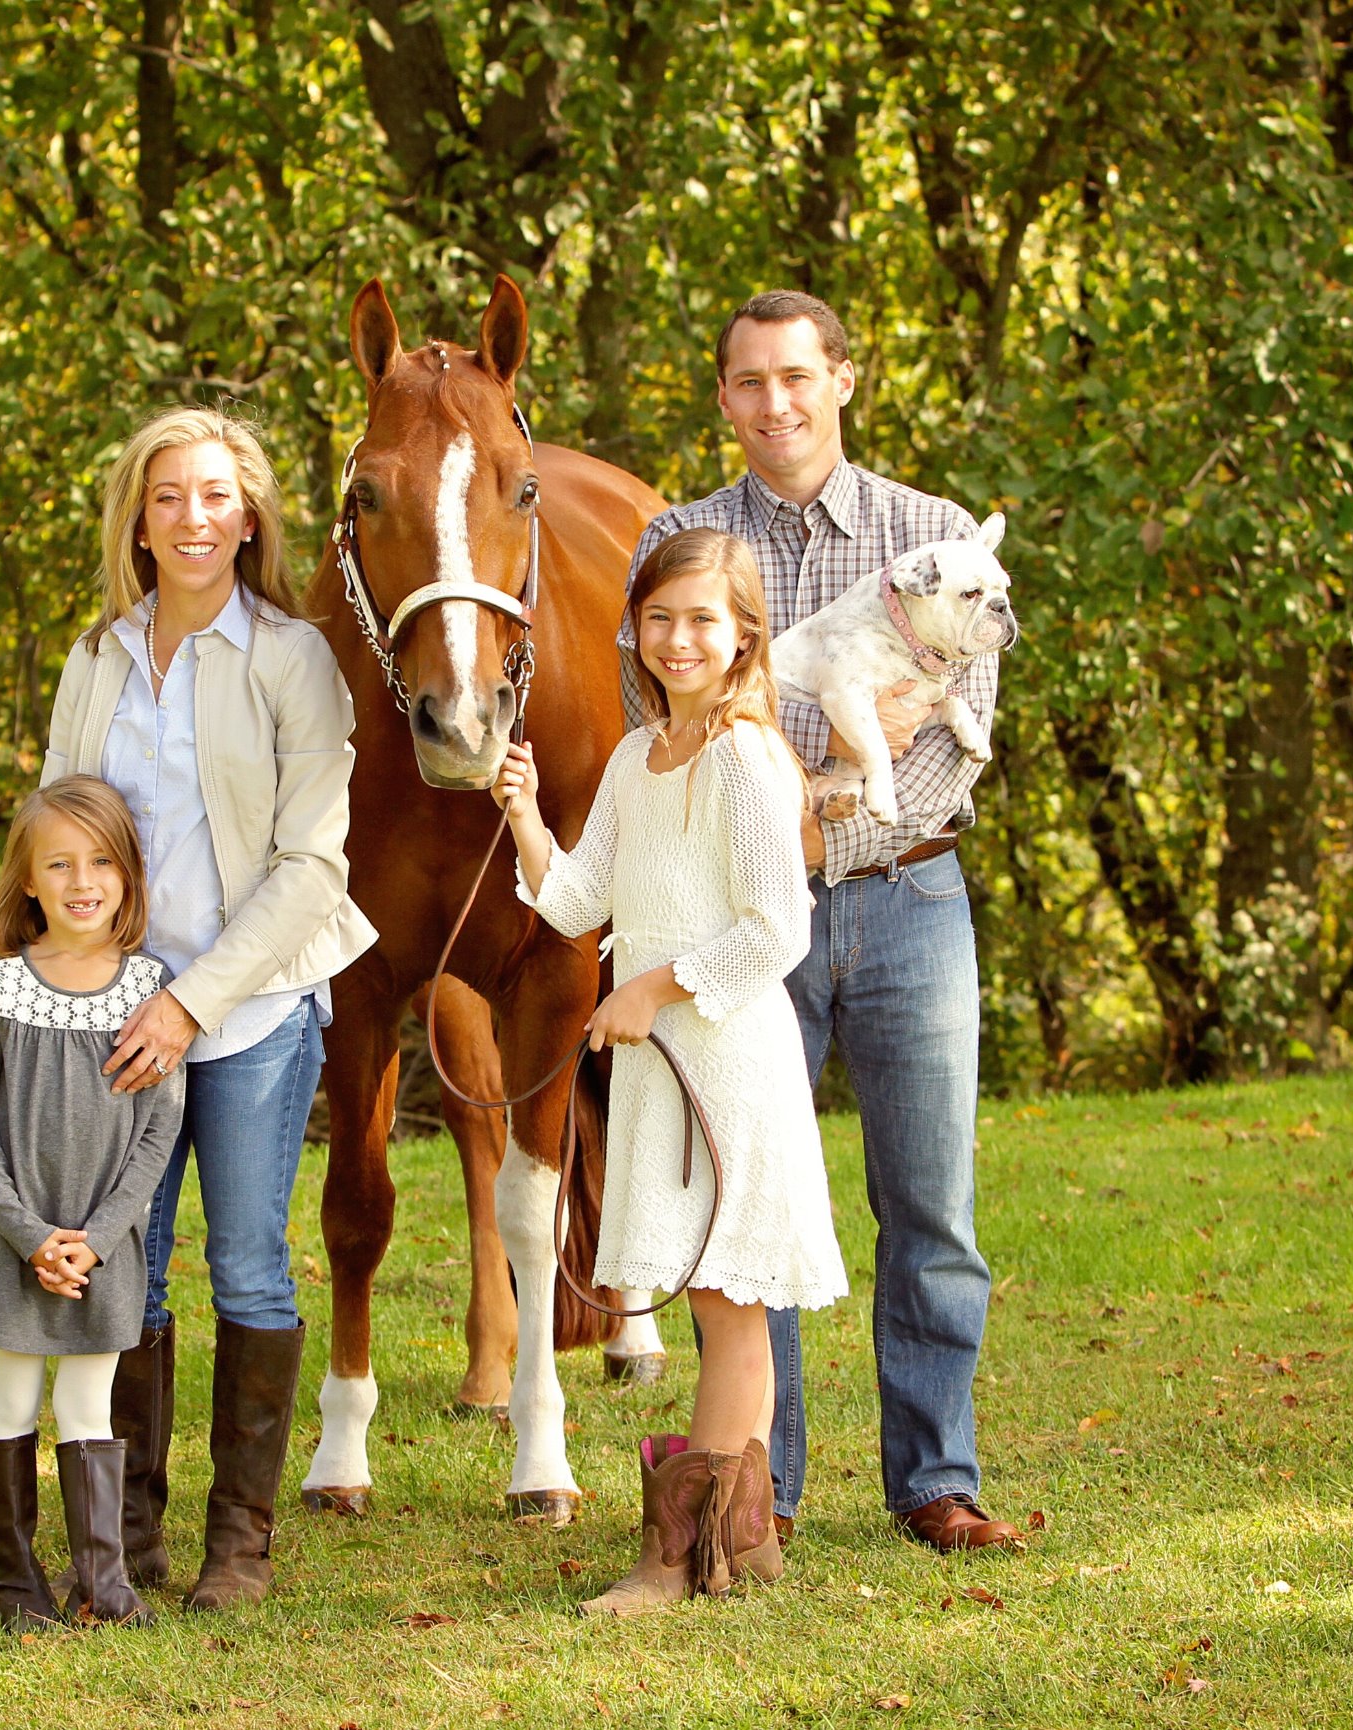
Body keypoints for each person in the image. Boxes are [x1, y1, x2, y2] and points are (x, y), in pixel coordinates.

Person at [0, 407, 376, 1610]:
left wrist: (190, 1001)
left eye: (216, 496)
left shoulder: (294, 660)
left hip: (245, 1011)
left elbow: (313, 870)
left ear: (250, 517)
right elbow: (46, 835)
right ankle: (123, 1536)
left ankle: (240, 1539)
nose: (194, 518)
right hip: (99, 1012)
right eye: (168, 496)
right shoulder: (99, 658)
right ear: (138, 516)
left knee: (245, 1261)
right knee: (132, 1264)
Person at [619, 291, 1021, 1553]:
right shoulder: (682, 541)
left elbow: (956, 750)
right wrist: (812, 811)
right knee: (742, 1208)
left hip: (911, 896)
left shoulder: (935, 536)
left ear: (844, 379)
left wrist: (808, 833)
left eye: (799, 375)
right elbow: (661, 732)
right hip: (738, 925)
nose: (776, 402)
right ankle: (759, 1491)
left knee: (931, 1201)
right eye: (749, 381)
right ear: (724, 396)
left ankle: (935, 1478)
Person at [491, 527, 847, 1617]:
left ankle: (672, 1555)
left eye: (703, 619)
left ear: (744, 634)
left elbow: (774, 928)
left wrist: (651, 987)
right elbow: (572, 902)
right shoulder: (636, 761)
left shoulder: (745, 756)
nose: (680, 639)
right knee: (714, 1295)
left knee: (731, 1304)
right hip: (662, 1070)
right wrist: (519, 810)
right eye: (661, 618)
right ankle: (744, 1541)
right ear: (634, 630)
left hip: (725, 1057)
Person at [0, 776, 183, 1631]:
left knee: (89, 1405)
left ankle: (104, 1584)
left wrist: (96, 1237)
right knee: (10, 1398)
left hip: (101, 1247)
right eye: (59, 863)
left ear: (126, 875)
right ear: (27, 881)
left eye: (100, 862)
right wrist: (29, 1237)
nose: (82, 880)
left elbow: (159, 1134)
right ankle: (18, 1588)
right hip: (16, 1245)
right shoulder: (0, 988)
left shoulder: (151, 992)